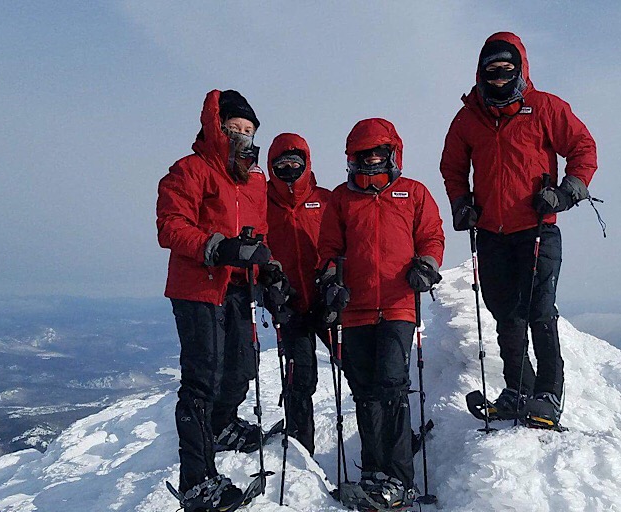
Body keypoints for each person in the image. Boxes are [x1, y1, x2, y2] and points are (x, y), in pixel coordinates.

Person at [439, 32, 598, 429]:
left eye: (506, 70)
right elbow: (452, 167)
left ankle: (548, 395)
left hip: (537, 227)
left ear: (520, 69)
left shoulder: (545, 107)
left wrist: (566, 193)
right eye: (491, 72)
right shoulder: (468, 118)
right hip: (492, 232)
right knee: (506, 315)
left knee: (539, 310)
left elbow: (583, 148)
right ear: (480, 72)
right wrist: (462, 204)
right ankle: (519, 390)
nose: (498, 79)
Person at [156, 89, 288, 511]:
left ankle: (224, 425)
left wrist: (267, 269)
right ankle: (197, 481)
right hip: (198, 287)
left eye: (249, 131)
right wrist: (219, 247)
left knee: (242, 366)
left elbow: (259, 236)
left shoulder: (253, 182)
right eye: (235, 128)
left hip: (237, 288)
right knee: (203, 379)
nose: (243, 136)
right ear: (217, 127)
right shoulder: (190, 170)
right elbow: (171, 226)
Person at [316, 118, 445, 508]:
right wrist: (330, 282)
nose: (371, 162)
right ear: (352, 159)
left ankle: (400, 480)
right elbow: (329, 248)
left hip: (398, 304)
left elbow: (432, 235)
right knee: (366, 392)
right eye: (363, 157)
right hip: (354, 309)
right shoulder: (342, 199)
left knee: (391, 387)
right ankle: (374, 473)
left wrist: (426, 264)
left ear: (392, 154)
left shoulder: (414, 193)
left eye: (377, 155)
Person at [263, 132, 331, 456]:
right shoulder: (260, 205)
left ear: (306, 163)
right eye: (282, 163)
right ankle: (302, 454)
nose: (289, 168)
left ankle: (384, 446)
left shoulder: (327, 200)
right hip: (289, 305)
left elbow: (345, 245)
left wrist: (336, 278)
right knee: (300, 378)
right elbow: (254, 253)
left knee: (362, 369)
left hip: (328, 300)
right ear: (271, 166)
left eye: (295, 162)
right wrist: (266, 285)